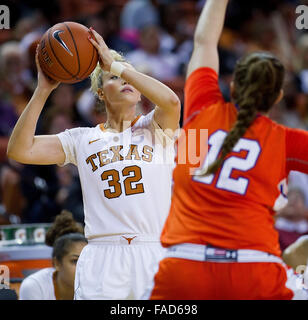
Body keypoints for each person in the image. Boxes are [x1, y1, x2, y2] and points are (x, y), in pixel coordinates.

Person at [147, 0, 308, 300]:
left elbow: (204, 41)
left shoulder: (200, 109)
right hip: (255, 270)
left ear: (232, 87)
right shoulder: (288, 140)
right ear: (278, 98)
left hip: (185, 266)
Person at [7, 27, 180, 299]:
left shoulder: (154, 128)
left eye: (128, 77)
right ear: (100, 93)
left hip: (153, 249)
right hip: (103, 255)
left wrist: (118, 67)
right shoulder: (82, 138)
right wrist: (42, 90)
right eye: (113, 77)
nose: (125, 81)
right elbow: (20, 150)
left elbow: (171, 101)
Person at [19, 210, 87, 300]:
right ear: (57, 263)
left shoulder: (97, 285)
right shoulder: (34, 286)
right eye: (75, 261)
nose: (82, 267)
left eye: (87, 261)